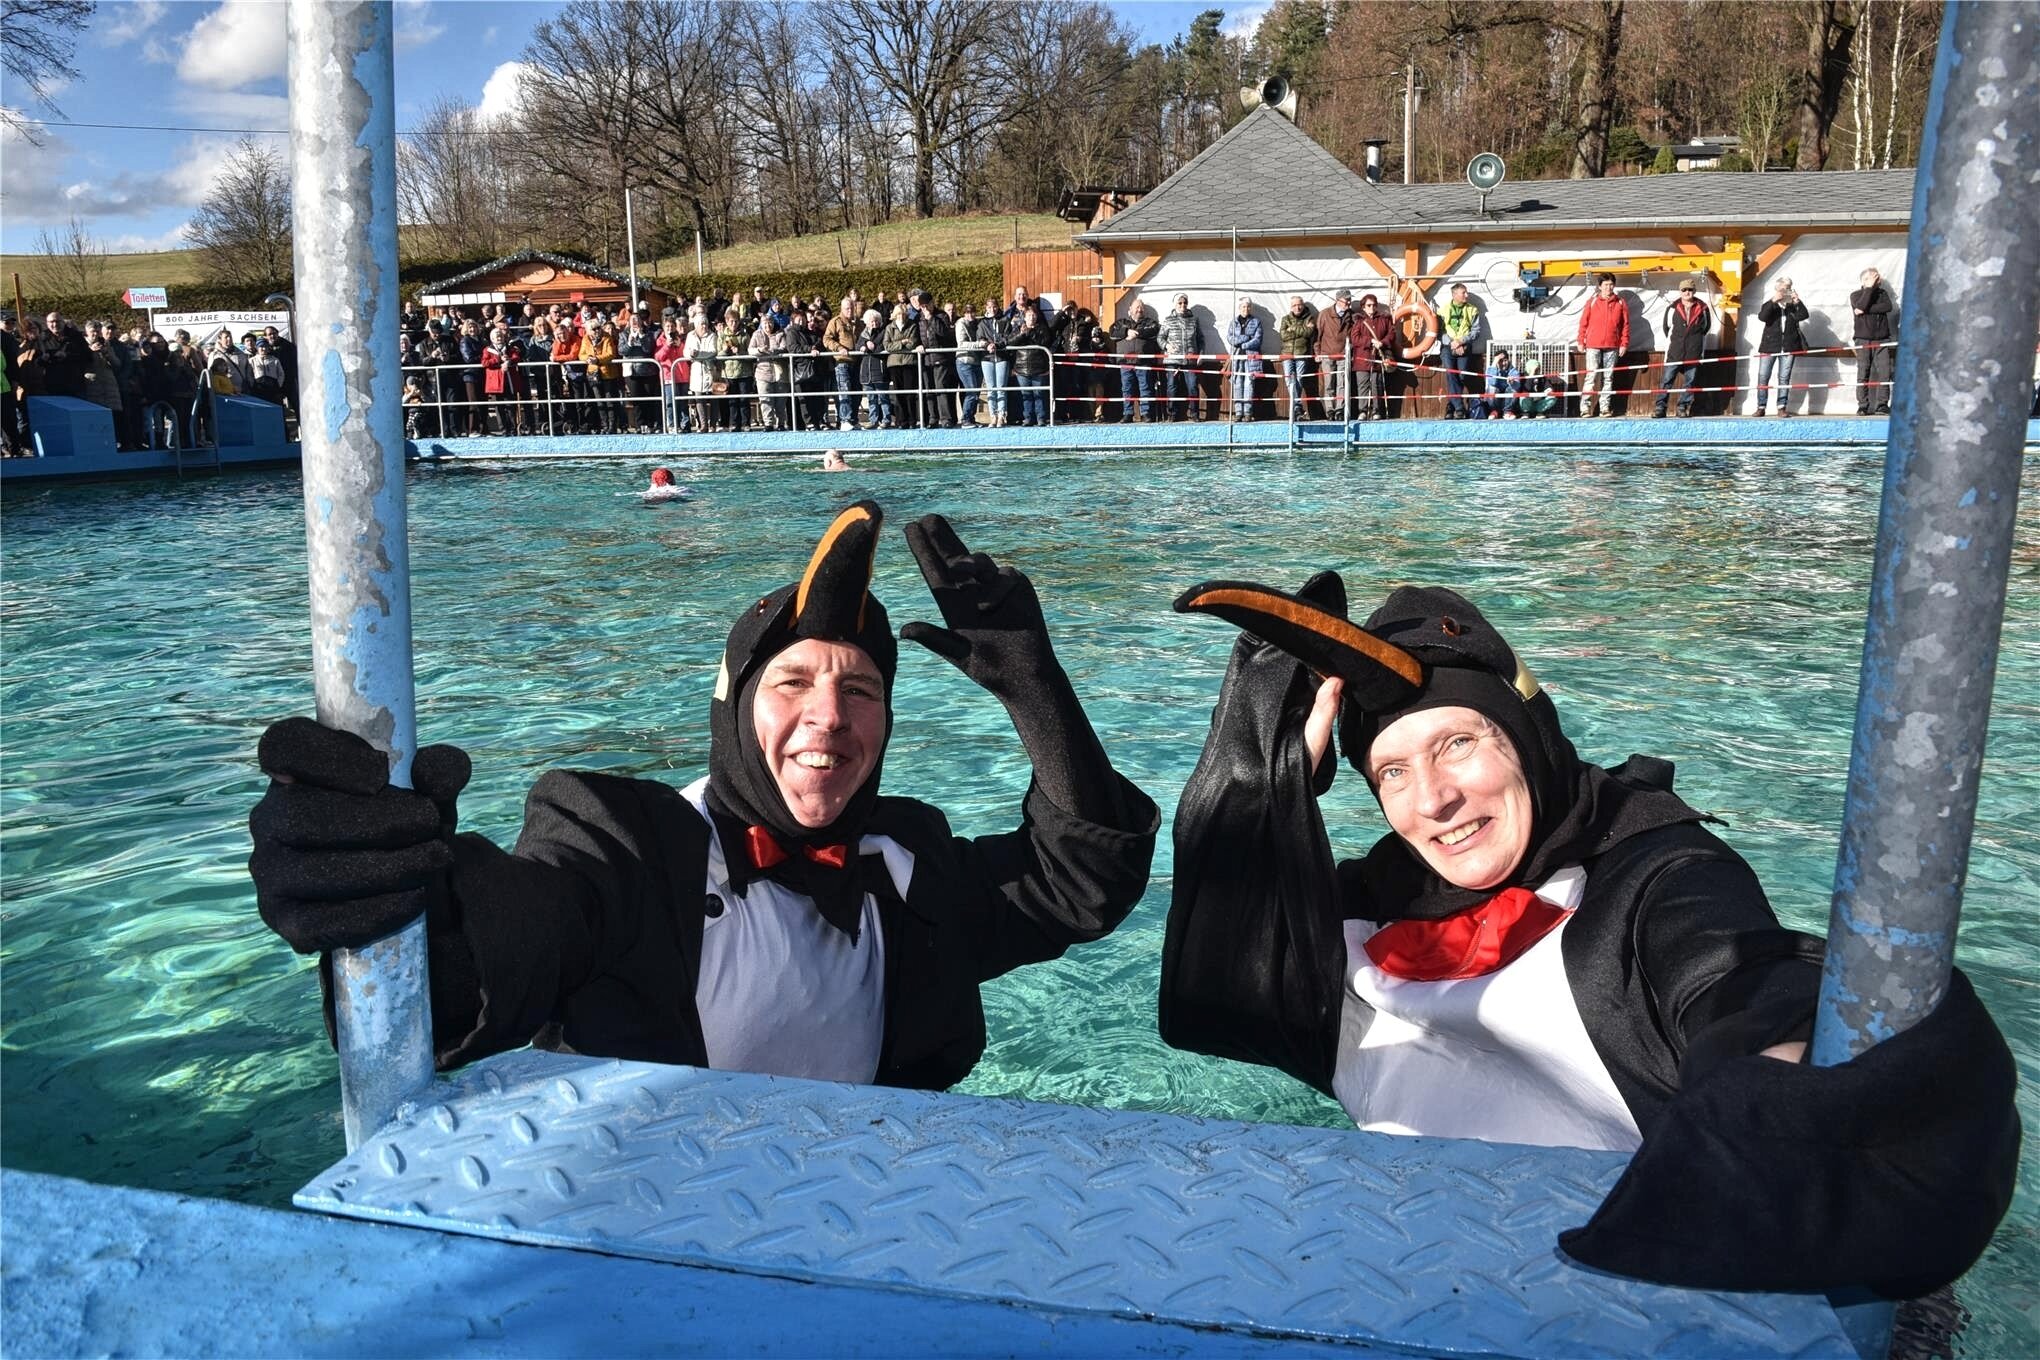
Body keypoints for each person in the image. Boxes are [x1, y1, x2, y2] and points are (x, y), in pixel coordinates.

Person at [1159, 575, 2018, 1300]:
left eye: (1457, 743)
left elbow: (1734, 974)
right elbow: (1220, 1000)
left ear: (1526, 737)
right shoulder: (1374, 905)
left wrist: (1796, 1065)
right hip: (1435, 1279)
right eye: (1392, 769)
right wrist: (1263, 788)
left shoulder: (1653, 872)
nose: (1433, 800)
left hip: (1659, 1282)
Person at [249, 504, 1158, 1094]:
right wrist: (402, 897)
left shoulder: (904, 860)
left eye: (862, 690)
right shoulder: (627, 844)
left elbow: (1079, 886)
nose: (829, 717)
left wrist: (1035, 688)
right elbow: (501, 954)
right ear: (732, 711)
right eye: (792, 683)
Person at [1652, 282, 1711, 419]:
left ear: (1694, 291)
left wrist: (1694, 341)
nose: (1687, 292)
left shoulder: (1703, 307)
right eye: (1684, 289)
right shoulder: (1672, 307)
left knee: (1690, 381)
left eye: (1690, 289)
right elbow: (1666, 328)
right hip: (1675, 350)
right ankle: (1660, 407)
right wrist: (1677, 341)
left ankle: (1682, 407)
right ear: (1680, 291)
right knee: (1667, 380)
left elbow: (1706, 328)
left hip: (1693, 351)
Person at [1575, 274, 1629, 417]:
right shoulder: (1592, 301)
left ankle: (1604, 407)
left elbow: (1625, 325)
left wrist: (1624, 343)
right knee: (1591, 376)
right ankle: (1585, 408)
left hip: (1612, 345)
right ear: (1600, 286)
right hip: (1593, 345)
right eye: (1605, 285)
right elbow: (1583, 322)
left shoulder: (1620, 303)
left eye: (1611, 284)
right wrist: (1580, 340)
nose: (1608, 288)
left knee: (1608, 377)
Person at [1754, 276, 1809, 416]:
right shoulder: (1769, 304)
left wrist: (1797, 301)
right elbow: (1762, 317)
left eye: (1788, 288)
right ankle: (1761, 407)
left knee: (1784, 378)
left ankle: (1781, 407)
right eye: (1783, 288)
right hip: (1769, 346)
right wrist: (1774, 300)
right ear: (1777, 289)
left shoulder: (1792, 306)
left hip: (1788, 346)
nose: (1786, 291)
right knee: (1763, 377)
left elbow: (1804, 315)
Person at [1851, 267, 1896, 415]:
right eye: (1872, 277)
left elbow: (1887, 307)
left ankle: (1882, 404)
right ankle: (1863, 405)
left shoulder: (1883, 294)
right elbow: (1860, 305)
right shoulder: (1855, 295)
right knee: (1863, 372)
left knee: (1884, 372)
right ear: (1864, 280)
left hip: (1882, 339)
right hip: (1863, 339)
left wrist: (1864, 309)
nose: (1876, 279)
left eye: (1876, 277)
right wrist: (1868, 289)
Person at [1109, 300, 1159, 422]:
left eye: (1141, 307)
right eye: (1136, 307)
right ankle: (1128, 413)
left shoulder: (1150, 322)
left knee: (1145, 387)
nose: (1139, 310)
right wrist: (1126, 331)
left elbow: (1154, 331)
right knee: (1127, 388)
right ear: (1130, 310)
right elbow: (1112, 332)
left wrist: (1136, 333)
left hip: (1143, 361)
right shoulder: (1121, 323)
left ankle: (1146, 413)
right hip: (1125, 362)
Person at [1438, 283, 1482, 419]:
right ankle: (1459, 408)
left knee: (1462, 376)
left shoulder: (1472, 310)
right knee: (1451, 374)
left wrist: (1461, 341)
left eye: (1466, 292)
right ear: (1454, 294)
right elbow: (1439, 332)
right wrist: (1452, 343)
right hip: (1448, 347)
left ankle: (1451, 405)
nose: (1466, 295)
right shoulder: (1443, 310)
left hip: (1465, 347)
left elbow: (1476, 331)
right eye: (1463, 293)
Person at [1349, 295, 1395, 420]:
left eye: (1374, 305)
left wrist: (1383, 342)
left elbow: (1391, 334)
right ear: (1363, 307)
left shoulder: (1384, 319)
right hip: (1362, 358)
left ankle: (1376, 411)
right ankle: (1362, 411)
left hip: (1378, 357)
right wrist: (1370, 341)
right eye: (1369, 305)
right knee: (1363, 385)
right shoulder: (1359, 321)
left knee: (1376, 385)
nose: (1372, 307)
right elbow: (1355, 338)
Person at [1312, 290, 1355, 420]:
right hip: (1327, 354)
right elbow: (1317, 335)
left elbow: (1352, 335)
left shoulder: (1351, 316)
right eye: (1346, 301)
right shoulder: (1325, 314)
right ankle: (1330, 410)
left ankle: (1339, 410)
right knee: (1329, 383)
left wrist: (1351, 351)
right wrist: (1317, 352)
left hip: (1343, 354)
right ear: (1337, 300)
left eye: (1349, 301)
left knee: (1342, 383)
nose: (1348, 303)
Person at [1159, 294, 1203, 421]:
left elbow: (1200, 339)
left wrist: (1201, 354)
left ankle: (1194, 414)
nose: (1183, 305)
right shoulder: (1168, 320)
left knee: (1192, 386)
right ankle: (1171, 414)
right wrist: (1166, 346)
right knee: (1171, 386)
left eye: (1185, 303)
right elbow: (1160, 337)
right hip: (1172, 359)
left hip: (1190, 359)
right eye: (1180, 303)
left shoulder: (1194, 320)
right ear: (1175, 304)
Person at [1009, 305, 1051, 427]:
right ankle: (1027, 418)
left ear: (1037, 316)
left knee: (1039, 394)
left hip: (1038, 368)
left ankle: (1041, 418)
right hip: (1021, 368)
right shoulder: (1018, 329)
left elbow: (1044, 343)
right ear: (1024, 317)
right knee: (1025, 395)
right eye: (1029, 315)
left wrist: (1031, 332)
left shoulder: (1042, 329)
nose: (1031, 317)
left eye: (1033, 315)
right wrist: (1021, 334)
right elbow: (1010, 342)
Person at [824, 298, 860, 432]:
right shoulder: (835, 322)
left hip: (857, 362)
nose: (850, 311)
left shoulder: (858, 322)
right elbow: (826, 339)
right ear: (842, 309)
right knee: (844, 391)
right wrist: (838, 348)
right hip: (842, 362)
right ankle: (845, 420)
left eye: (852, 308)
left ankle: (854, 420)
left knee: (857, 392)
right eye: (847, 308)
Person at [1277, 296, 1316, 420]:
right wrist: (1302, 330)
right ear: (1291, 307)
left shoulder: (1309, 318)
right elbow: (1283, 335)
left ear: (1303, 305)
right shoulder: (1285, 319)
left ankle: (1296, 408)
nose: (1297, 307)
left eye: (1299, 305)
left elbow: (1309, 333)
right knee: (1289, 379)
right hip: (1287, 353)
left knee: (1299, 379)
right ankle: (1297, 407)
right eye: (1294, 305)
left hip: (1301, 353)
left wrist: (1293, 328)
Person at [1225, 298, 1263, 422]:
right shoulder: (1233, 322)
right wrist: (1245, 338)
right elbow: (1230, 338)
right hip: (1236, 356)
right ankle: (1238, 412)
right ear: (1239, 308)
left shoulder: (1256, 322)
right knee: (1237, 383)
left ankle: (1247, 412)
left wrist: (1244, 345)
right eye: (1243, 307)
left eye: (1248, 306)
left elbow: (1257, 339)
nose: (1246, 309)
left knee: (1249, 384)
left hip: (1251, 357)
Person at [953, 303, 984, 427]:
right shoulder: (960, 324)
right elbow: (961, 343)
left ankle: (971, 418)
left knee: (976, 392)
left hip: (977, 361)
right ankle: (965, 419)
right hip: (964, 361)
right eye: (967, 312)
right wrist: (979, 344)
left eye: (972, 312)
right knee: (971, 391)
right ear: (964, 313)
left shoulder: (977, 323)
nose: (970, 315)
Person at [1482, 347, 1520, 418]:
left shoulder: (1513, 371)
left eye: (1505, 360)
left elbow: (1517, 386)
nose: (1503, 363)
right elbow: (1492, 382)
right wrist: (1494, 363)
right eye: (1500, 361)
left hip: (1507, 399)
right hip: (1495, 399)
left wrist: (1513, 382)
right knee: (1492, 387)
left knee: (1513, 388)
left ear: (1508, 360)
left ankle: (1507, 411)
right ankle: (1494, 411)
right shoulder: (1490, 369)